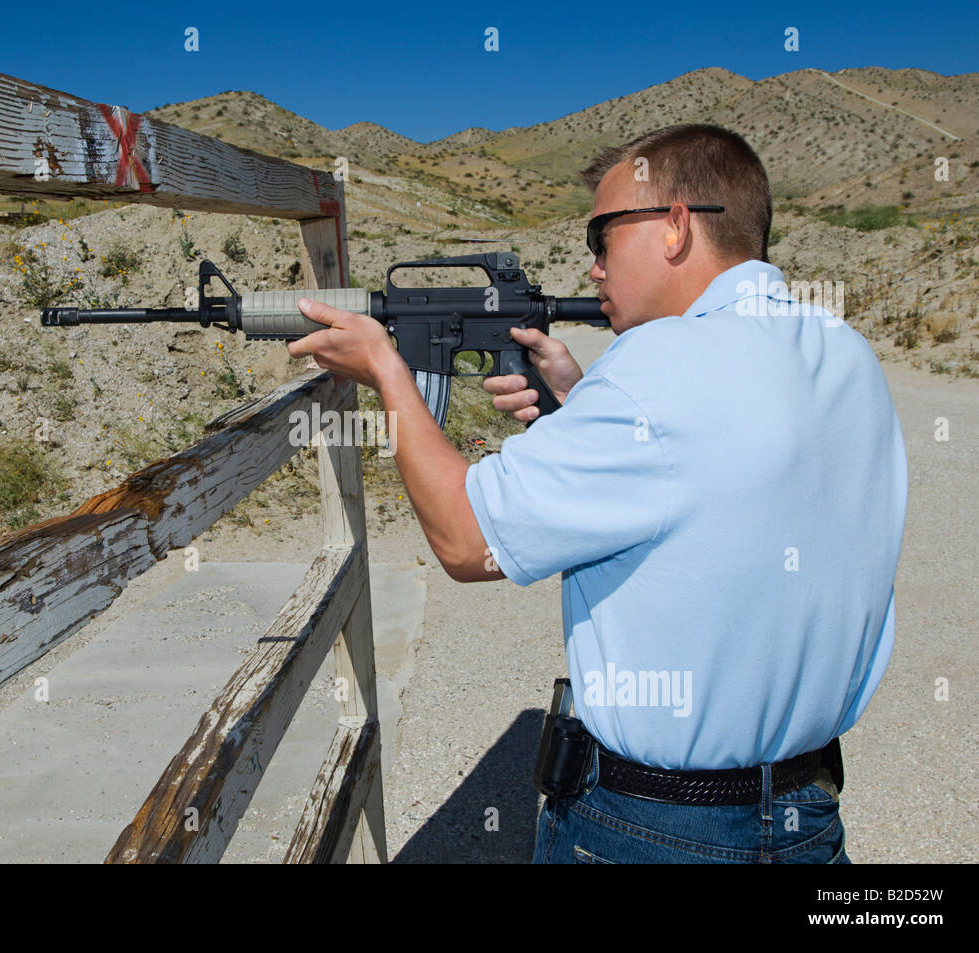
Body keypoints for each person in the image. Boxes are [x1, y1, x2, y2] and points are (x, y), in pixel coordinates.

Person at [287, 123, 907, 864]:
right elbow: (722, 481)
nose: (594, 263)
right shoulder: (843, 351)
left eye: (604, 233)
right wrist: (584, 404)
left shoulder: (657, 369)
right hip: (808, 818)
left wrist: (386, 373)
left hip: (652, 831)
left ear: (675, 225)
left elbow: (464, 537)